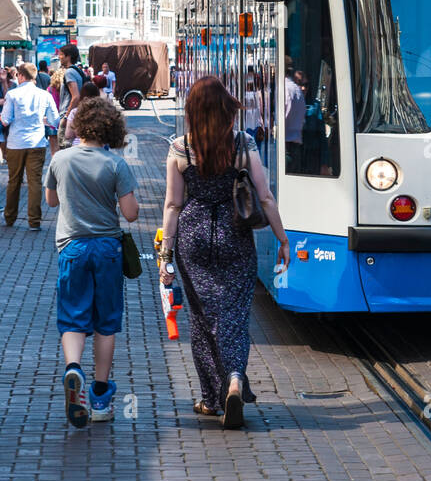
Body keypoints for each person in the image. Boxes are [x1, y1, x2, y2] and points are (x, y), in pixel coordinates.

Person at [160, 76, 290, 428]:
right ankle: (235, 379)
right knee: (233, 313)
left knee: (203, 319)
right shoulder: (243, 144)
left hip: (193, 235)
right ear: (226, 110)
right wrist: (283, 239)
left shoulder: (179, 148)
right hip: (235, 234)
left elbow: (173, 204)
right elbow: (264, 197)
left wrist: (165, 255)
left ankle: (210, 399)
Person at [44, 96, 139, 426]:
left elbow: (51, 201)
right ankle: (100, 397)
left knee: (72, 316)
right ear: (112, 129)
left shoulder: (60, 160)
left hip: (72, 247)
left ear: (79, 124)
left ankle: (73, 369)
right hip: (107, 250)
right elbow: (130, 214)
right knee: (106, 321)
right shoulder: (116, 164)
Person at [2, 62, 60, 228]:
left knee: (14, 181)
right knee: (35, 182)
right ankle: (34, 221)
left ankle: (10, 217)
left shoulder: (13, 95)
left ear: (20, 75)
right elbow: (55, 120)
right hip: (37, 143)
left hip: (15, 144)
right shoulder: (45, 95)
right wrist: (43, 121)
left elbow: (5, 121)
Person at [57, 44, 86, 148]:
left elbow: (76, 96)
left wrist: (65, 117)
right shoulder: (78, 71)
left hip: (69, 115)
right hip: (76, 114)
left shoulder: (69, 72)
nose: (59, 57)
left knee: (65, 147)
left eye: (61, 54)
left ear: (68, 56)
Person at [284, 64, 307, 173]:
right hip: (295, 147)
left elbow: (284, 116)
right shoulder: (297, 90)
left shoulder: (284, 88)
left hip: (285, 147)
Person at [65, 81, 102, 147]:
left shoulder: (74, 112)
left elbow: (68, 135)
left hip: (78, 146)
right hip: (99, 147)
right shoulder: (103, 111)